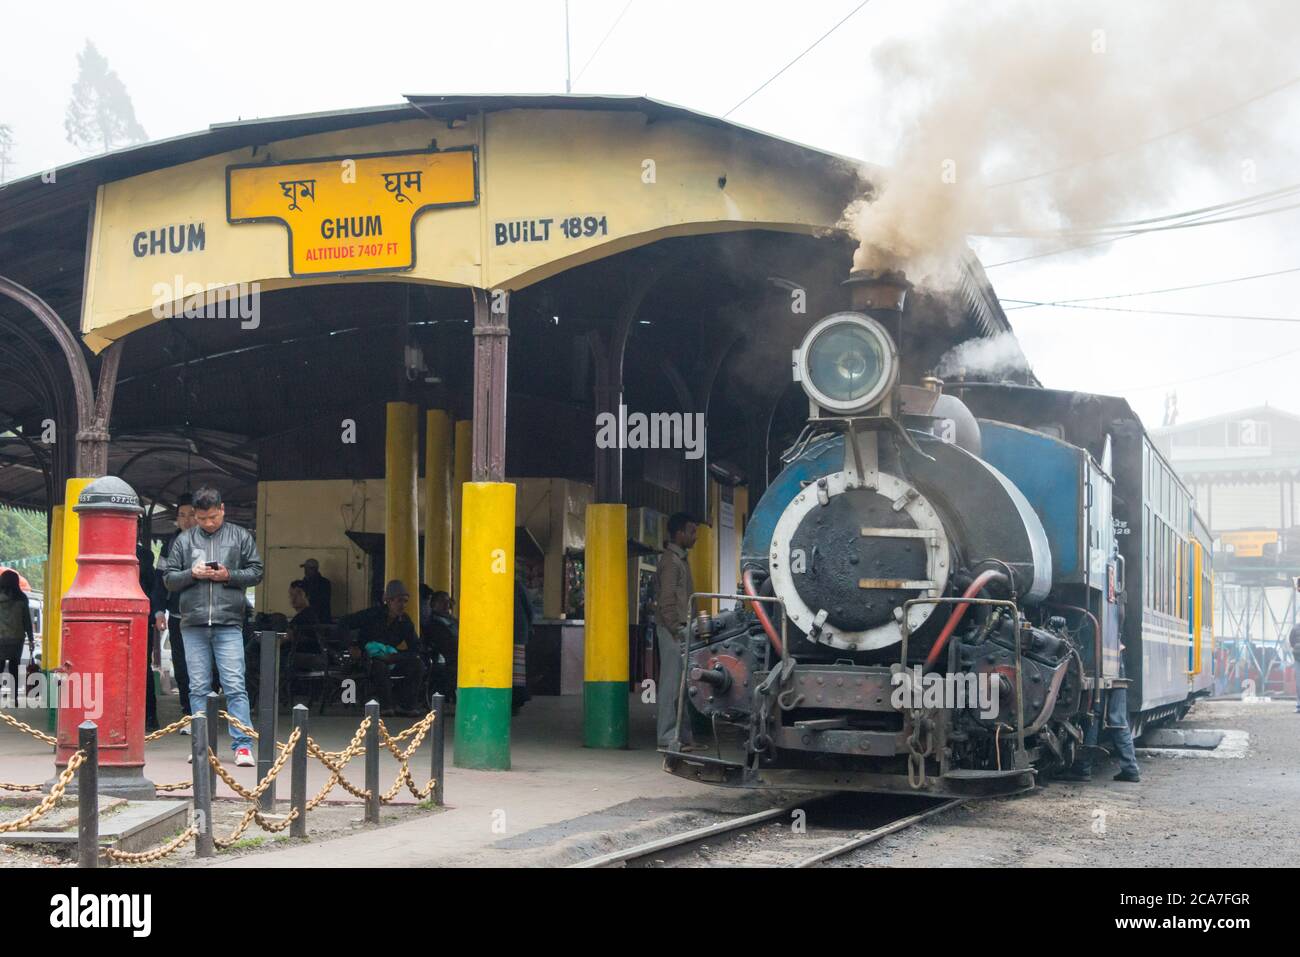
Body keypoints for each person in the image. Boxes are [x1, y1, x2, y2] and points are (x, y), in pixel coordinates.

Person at [159, 485, 263, 767]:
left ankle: (242, 745)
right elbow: (168, 580)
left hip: (229, 621)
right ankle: (201, 743)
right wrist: (192, 574)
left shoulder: (240, 536)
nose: (207, 523)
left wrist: (229, 575)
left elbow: (257, 571)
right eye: (202, 518)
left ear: (222, 510)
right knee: (198, 686)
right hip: (192, 622)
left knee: (234, 685)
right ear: (195, 515)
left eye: (213, 517)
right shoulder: (183, 540)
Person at [653, 512, 705, 752]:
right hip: (673, 631)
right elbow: (666, 601)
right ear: (679, 533)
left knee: (683, 687)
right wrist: (678, 629)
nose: (695, 536)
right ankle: (666, 737)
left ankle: (684, 738)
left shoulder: (680, 560)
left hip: (682, 631)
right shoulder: (670, 562)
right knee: (671, 686)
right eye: (692, 531)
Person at [343, 580, 425, 715]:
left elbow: (415, 647)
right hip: (367, 657)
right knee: (379, 666)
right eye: (399, 601)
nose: (402, 605)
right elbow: (344, 622)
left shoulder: (404, 621)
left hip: (391, 657)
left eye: (405, 601)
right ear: (389, 601)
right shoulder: (371, 614)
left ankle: (406, 705)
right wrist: (351, 646)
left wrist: (396, 657)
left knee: (418, 665)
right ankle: (387, 706)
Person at [152, 494, 197, 733]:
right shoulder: (170, 545)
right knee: (182, 667)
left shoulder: (210, 541)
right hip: (179, 616)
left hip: (205, 618)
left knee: (203, 666)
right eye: (182, 515)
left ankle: (204, 714)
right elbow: (160, 582)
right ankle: (188, 714)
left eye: (191, 515)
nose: (187, 520)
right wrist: (158, 611)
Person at [1064, 646, 1140, 784]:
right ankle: (1130, 769)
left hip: (1098, 661)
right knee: (1118, 719)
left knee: (1093, 715)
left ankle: (1082, 768)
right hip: (1115, 659)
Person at [0, 570, 34, 701]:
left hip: (1, 638)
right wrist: (31, 638)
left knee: (0, 666)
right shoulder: (22, 598)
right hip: (16, 638)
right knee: (14, 665)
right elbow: (26, 620)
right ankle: (14, 697)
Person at [299, 558, 333, 623]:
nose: (305, 571)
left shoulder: (321, 583)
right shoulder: (325, 582)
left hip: (318, 620)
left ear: (313, 569)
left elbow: (318, 602)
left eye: (306, 568)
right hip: (319, 619)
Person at [1290, 624, 1300, 713]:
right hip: (1298, 658)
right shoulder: (1295, 628)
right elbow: (1291, 641)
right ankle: (1299, 705)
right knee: (1298, 683)